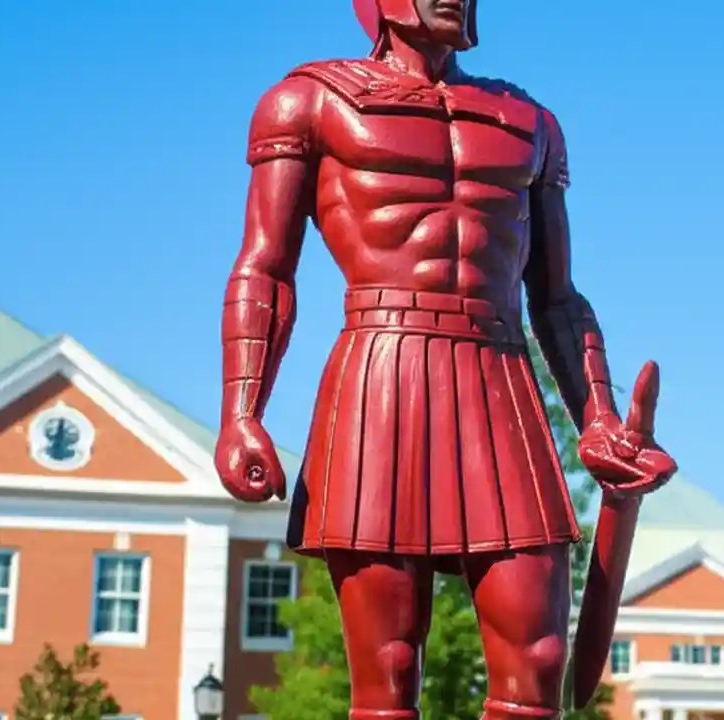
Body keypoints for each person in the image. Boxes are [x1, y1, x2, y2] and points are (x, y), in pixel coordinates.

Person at [213, 1, 676, 717]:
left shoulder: (529, 122)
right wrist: (242, 412)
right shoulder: (305, 102)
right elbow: (266, 268)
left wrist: (599, 418)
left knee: (539, 661)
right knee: (389, 670)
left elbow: (556, 296)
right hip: (380, 381)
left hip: (500, 381)